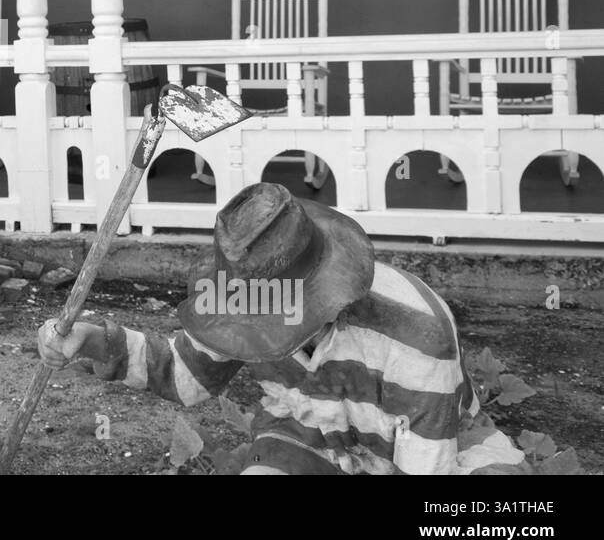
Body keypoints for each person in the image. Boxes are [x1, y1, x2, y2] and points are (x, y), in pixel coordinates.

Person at [38, 182, 527, 474]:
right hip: (312, 439)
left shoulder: (419, 333)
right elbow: (183, 372)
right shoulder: (244, 301)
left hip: (438, 457)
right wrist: (93, 339)